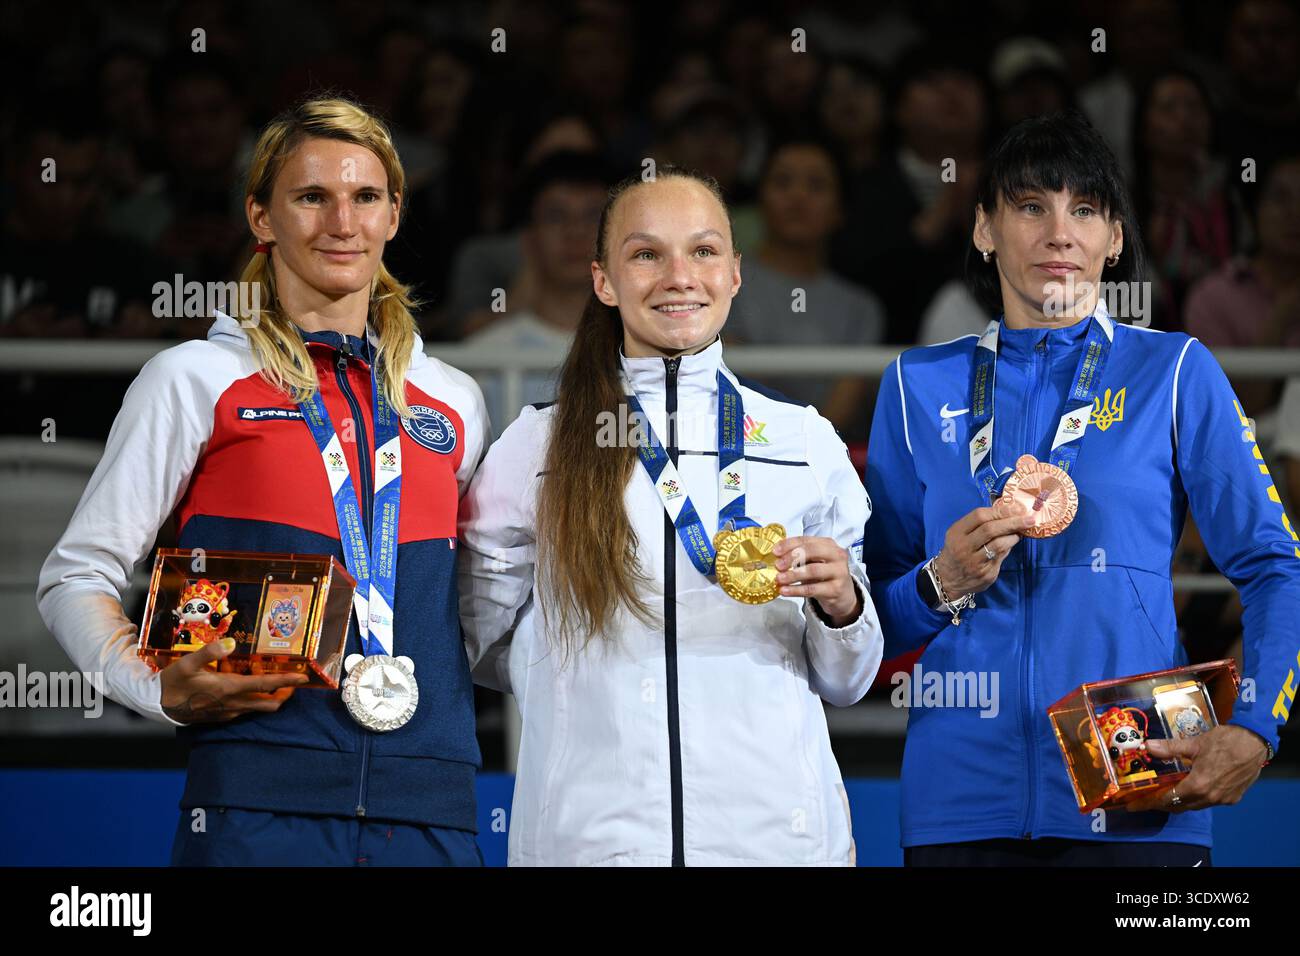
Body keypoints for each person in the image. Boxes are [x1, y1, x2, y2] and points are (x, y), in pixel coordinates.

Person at [36, 97, 490, 866]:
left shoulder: (453, 400)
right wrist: (157, 688)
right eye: (312, 197)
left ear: (394, 216)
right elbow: (75, 575)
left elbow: (480, 603)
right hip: (255, 802)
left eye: (366, 197)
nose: (342, 222)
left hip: (432, 807)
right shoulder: (194, 379)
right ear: (262, 217)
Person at [863, 112, 1296, 866]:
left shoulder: (1174, 372)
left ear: (1115, 238)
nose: (1059, 233)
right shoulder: (914, 385)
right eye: (1030, 207)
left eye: (1085, 210)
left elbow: (1275, 565)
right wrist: (938, 584)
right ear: (984, 230)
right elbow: (870, 625)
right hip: (959, 804)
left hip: (1143, 796)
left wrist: (1258, 725)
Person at [458, 165, 882, 866]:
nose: (679, 275)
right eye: (647, 253)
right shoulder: (537, 445)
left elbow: (847, 679)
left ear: (735, 273)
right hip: (592, 842)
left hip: (777, 841)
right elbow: (483, 644)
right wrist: (577, 680)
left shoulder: (803, 440)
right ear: (604, 280)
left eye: (704, 250)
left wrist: (842, 606)